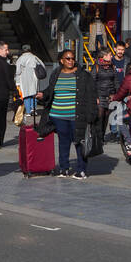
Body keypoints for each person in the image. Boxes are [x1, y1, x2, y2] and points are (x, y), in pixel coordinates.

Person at [37, 48, 97, 179]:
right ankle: (64, 168)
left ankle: (81, 169)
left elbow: (91, 95)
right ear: (61, 60)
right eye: (68, 58)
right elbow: (51, 89)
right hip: (58, 115)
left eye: (72, 58)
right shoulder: (56, 73)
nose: (71, 61)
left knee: (79, 142)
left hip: (76, 115)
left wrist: (91, 114)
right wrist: (43, 94)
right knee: (63, 142)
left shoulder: (83, 76)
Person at [93, 48, 118, 140]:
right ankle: (97, 137)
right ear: (104, 56)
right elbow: (92, 81)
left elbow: (115, 80)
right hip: (99, 95)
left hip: (110, 96)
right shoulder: (96, 66)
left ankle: (102, 136)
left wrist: (117, 94)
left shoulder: (112, 66)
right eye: (110, 55)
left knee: (106, 117)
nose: (111, 56)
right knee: (100, 116)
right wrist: (95, 96)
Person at [14, 43, 46, 115]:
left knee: (26, 95)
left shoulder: (20, 59)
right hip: (34, 78)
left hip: (24, 79)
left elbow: (18, 71)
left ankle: (28, 111)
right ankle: (33, 110)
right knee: (34, 94)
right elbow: (42, 66)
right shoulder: (34, 57)